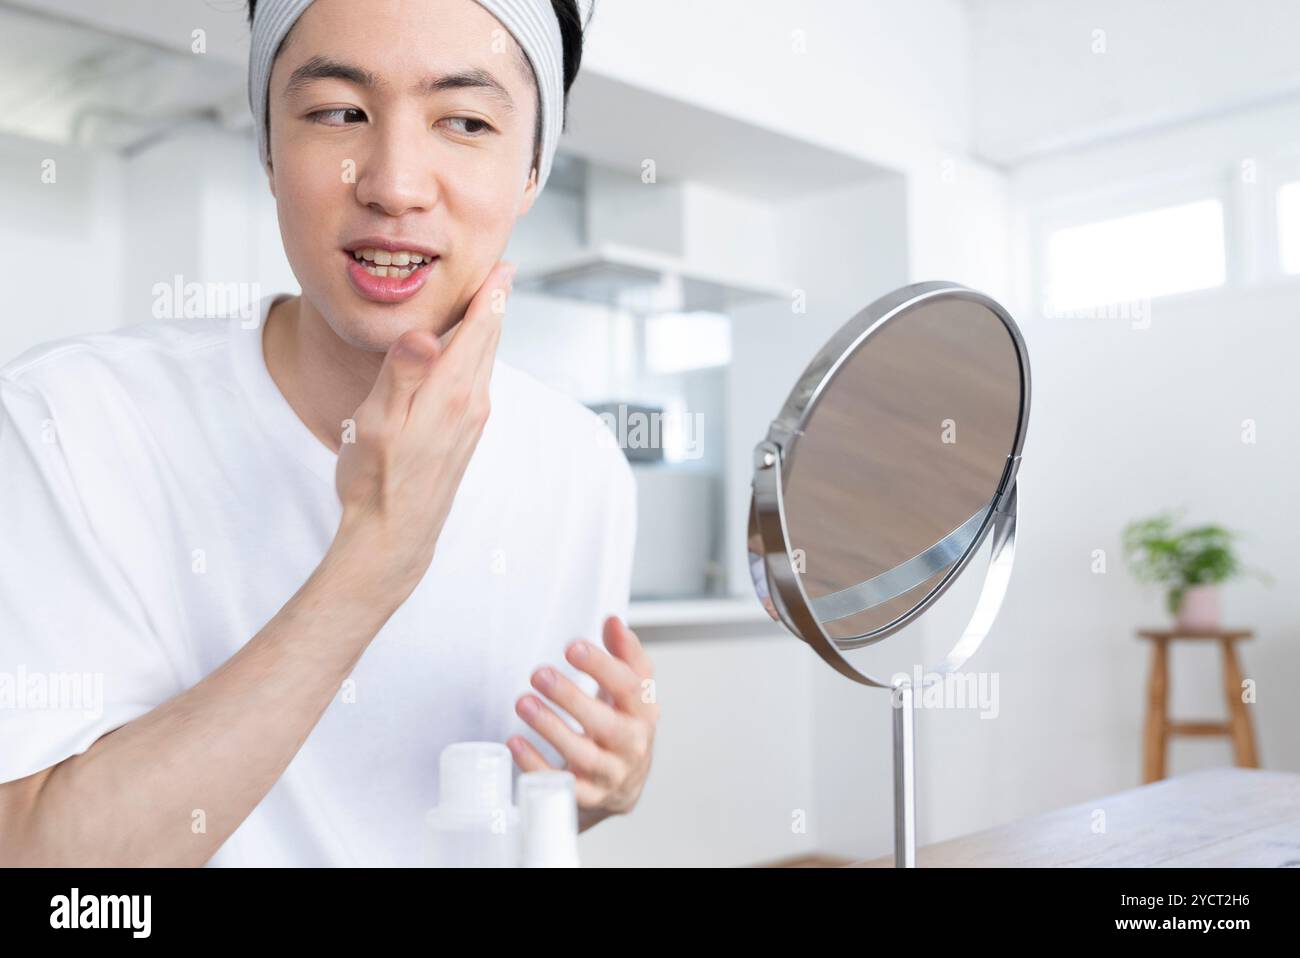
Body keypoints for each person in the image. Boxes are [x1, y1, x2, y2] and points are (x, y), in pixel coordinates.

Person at [0, 0, 658, 866]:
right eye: (339, 112)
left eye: (464, 120)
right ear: (270, 149)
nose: (393, 183)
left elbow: (488, 819)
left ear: (532, 168)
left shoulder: (582, 466)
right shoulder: (67, 423)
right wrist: (373, 559)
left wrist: (593, 788)